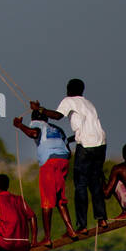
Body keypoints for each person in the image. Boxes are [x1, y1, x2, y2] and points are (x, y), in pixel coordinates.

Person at [32, 79, 108, 231]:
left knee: (80, 184)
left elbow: (57, 116)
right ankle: (102, 219)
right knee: (95, 182)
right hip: (101, 143)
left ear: (69, 90)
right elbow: (86, 128)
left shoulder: (69, 100)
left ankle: (82, 225)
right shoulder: (89, 104)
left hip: (86, 146)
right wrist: (70, 139)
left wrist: (40, 109)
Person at [14, 110, 78, 245]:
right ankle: (71, 230)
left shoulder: (38, 126)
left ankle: (47, 238)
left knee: (47, 201)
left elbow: (34, 133)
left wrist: (19, 125)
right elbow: (67, 146)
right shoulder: (57, 128)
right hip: (64, 161)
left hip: (49, 164)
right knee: (60, 199)